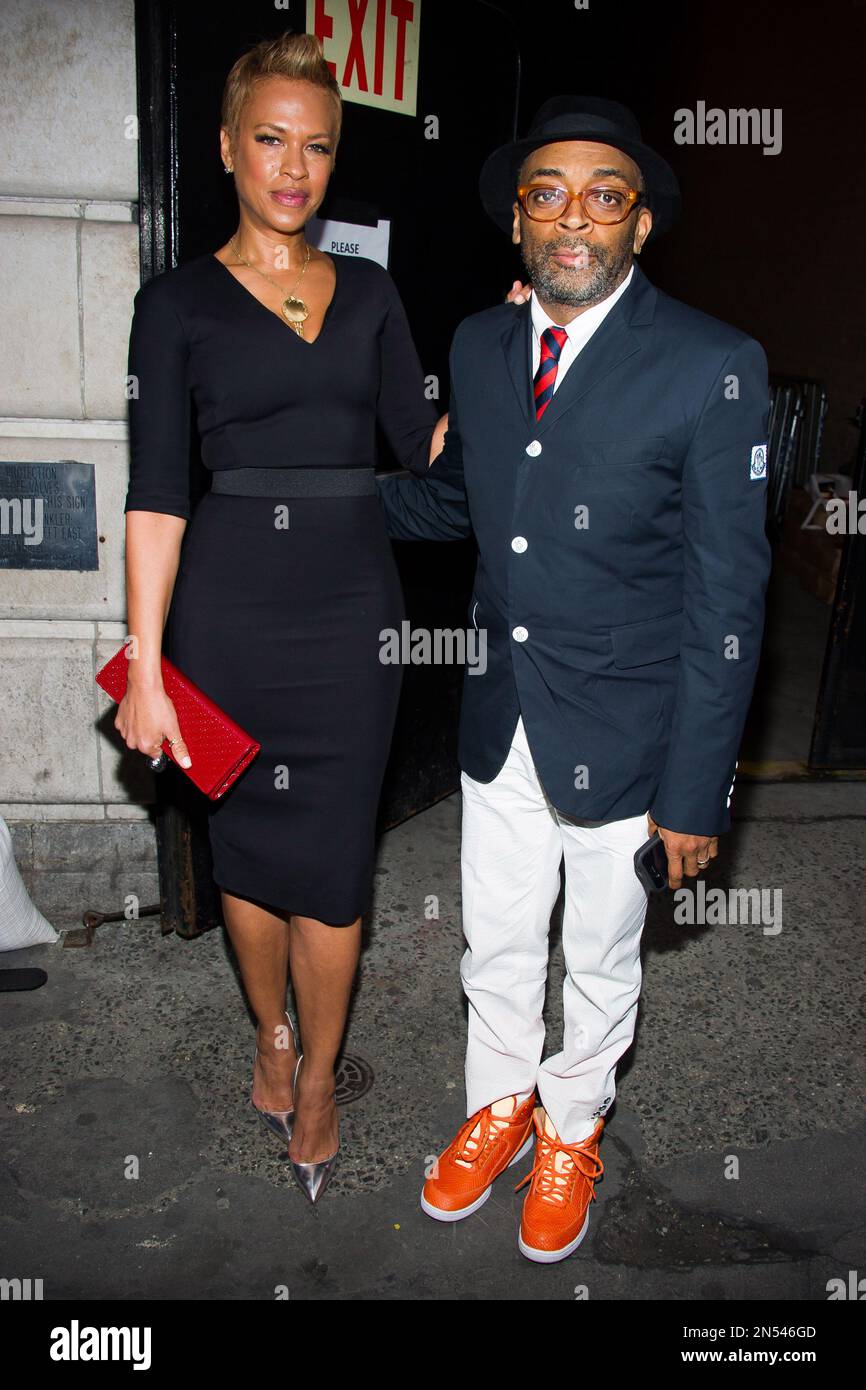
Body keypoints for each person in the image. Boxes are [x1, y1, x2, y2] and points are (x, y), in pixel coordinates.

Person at [376, 96, 772, 1262]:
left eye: (603, 197)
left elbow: (726, 600)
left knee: (597, 953)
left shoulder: (710, 364)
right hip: (499, 718)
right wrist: (305, 504)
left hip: (632, 734)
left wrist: (697, 790)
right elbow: (460, 502)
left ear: (637, 226)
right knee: (495, 938)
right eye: (545, 193)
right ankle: (495, 1106)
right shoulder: (480, 345)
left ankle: (571, 1124)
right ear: (516, 221)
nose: (571, 219)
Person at [116, 32, 449, 1203]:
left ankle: (318, 1080)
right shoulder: (175, 306)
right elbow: (157, 496)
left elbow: (426, 448)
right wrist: (147, 668)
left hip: (354, 615)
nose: (293, 165)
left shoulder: (371, 294)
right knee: (247, 856)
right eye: (270, 139)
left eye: (315, 144)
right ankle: (269, 1032)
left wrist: (521, 357)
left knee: (335, 862)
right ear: (226, 149)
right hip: (226, 622)